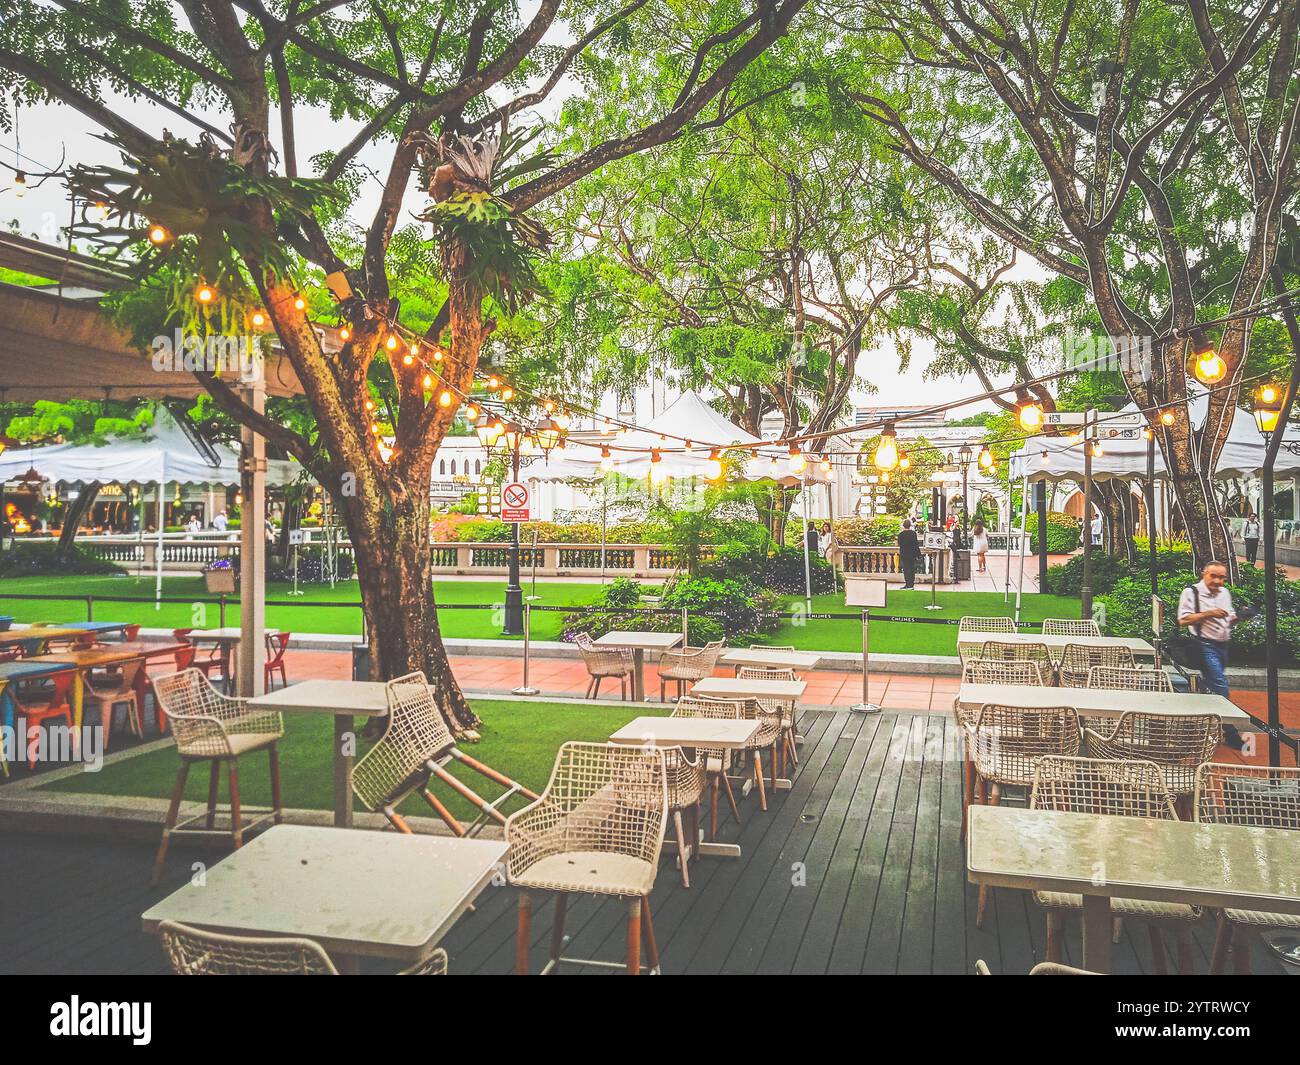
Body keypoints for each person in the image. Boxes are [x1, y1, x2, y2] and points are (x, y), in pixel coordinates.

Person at [1178, 560, 1244, 747]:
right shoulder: (1192, 592)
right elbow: (1183, 619)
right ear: (1203, 574)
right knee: (1221, 685)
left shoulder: (1224, 593)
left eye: (1222, 577)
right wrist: (1209, 613)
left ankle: (1193, 720)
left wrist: (1239, 616)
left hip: (1223, 645)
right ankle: (1230, 731)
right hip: (1204, 645)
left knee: (1212, 684)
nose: (1217, 581)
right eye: (1213, 576)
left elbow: (1228, 617)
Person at [898, 518, 920, 588]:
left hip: (904, 554)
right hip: (912, 554)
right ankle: (912, 583)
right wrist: (918, 554)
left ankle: (908, 584)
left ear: (903, 526)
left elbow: (899, 544)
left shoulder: (901, 534)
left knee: (906, 569)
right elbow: (916, 544)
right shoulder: (913, 534)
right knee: (912, 568)